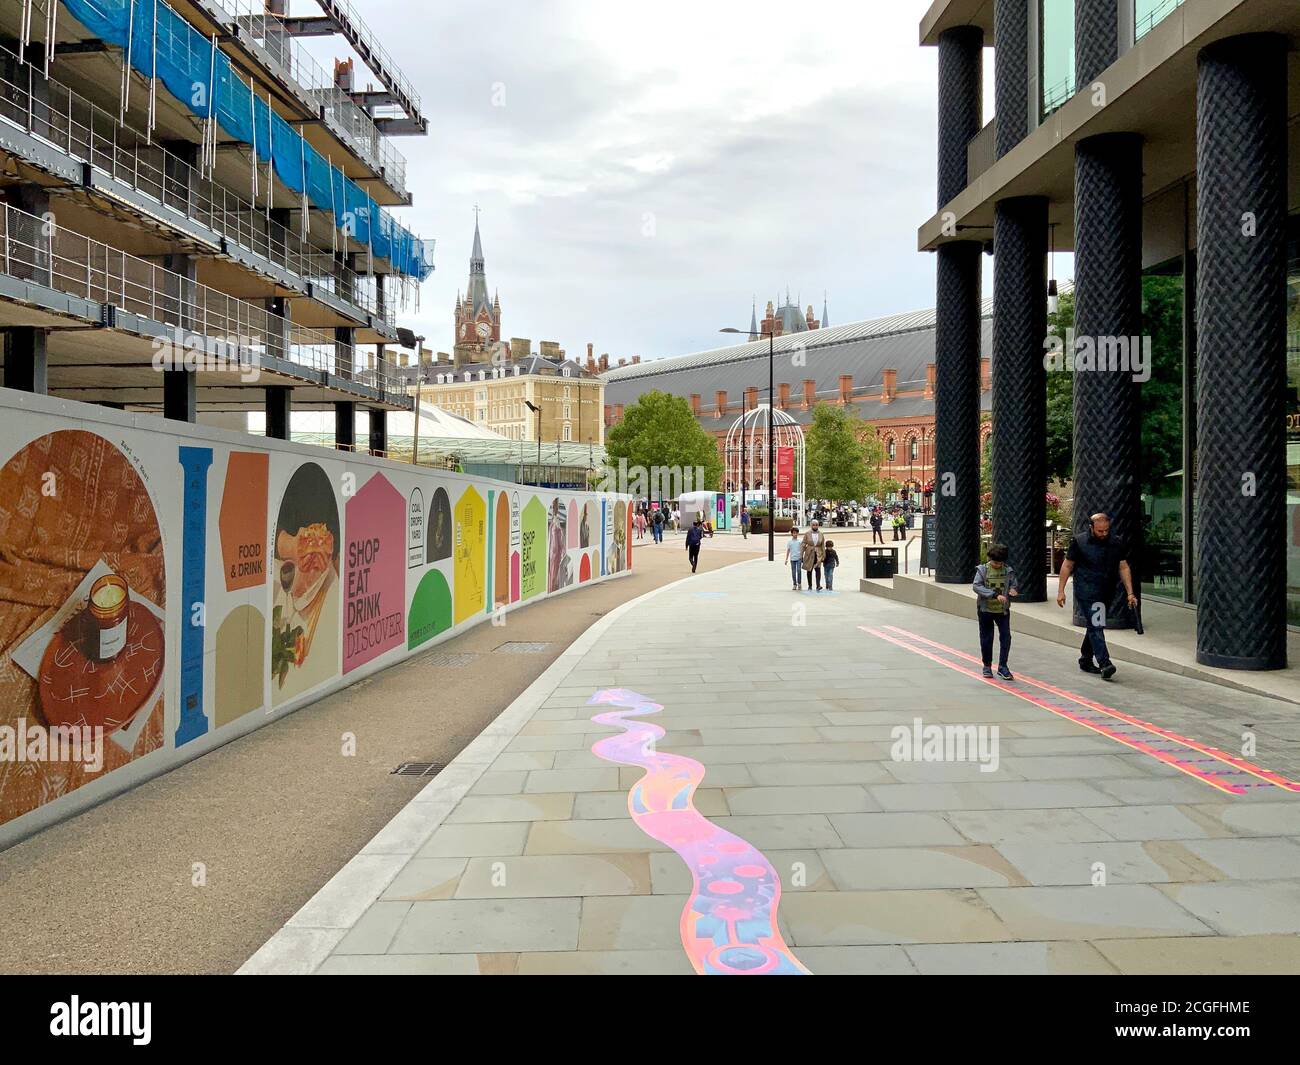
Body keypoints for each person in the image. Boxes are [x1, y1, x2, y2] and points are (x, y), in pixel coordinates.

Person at [1057, 512, 1136, 681]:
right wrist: (1061, 591)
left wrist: (1130, 593)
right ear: (1091, 528)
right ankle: (1105, 663)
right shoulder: (1079, 542)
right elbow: (1067, 565)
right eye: (1100, 531)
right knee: (1097, 624)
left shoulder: (1116, 542)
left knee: (1094, 626)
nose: (1104, 534)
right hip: (1087, 590)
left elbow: (1123, 567)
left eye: (1106, 530)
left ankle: (1085, 659)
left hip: (1106, 590)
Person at [974, 543, 1019, 680]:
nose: (997, 565)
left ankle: (1003, 666)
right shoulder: (983, 570)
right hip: (985, 609)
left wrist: (1013, 590)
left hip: (1002, 610)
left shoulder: (1008, 571)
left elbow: (1014, 584)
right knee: (987, 637)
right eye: (994, 562)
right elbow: (976, 586)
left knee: (1006, 637)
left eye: (1000, 563)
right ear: (989, 558)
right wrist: (993, 595)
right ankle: (987, 666)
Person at [801, 519, 827, 591]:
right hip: (809, 553)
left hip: (818, 554)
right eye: (813, 525)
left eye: (816, 525)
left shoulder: (821, 534)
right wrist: (801, 555)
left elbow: (822, 545)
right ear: (811, 525)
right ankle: (810, 586)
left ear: (818, 525)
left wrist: (823, 555)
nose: (815, 526)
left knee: (818, 570)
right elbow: (803, 544)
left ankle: (818, 585)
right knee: (809, 570)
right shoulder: (807, 533)